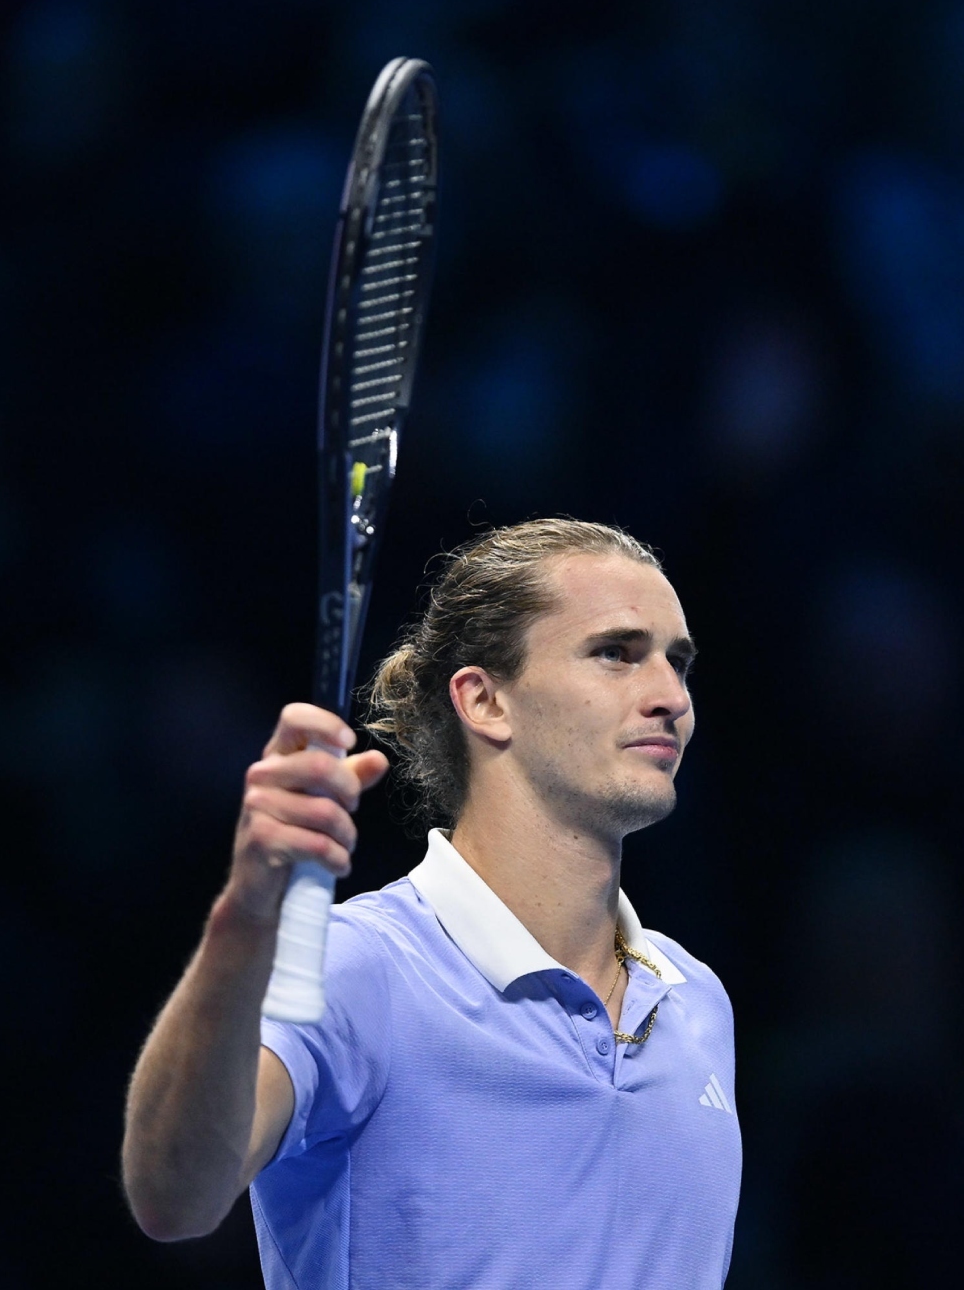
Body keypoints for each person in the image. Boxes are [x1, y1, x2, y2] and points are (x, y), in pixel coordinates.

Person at [121, 519, 740, 1289]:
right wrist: (245, 914)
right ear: (484, 701)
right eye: (616, 653)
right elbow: (175, 1197)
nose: (669, 698)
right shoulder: (359, 969)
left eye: (677, 663)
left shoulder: (697, 1004)